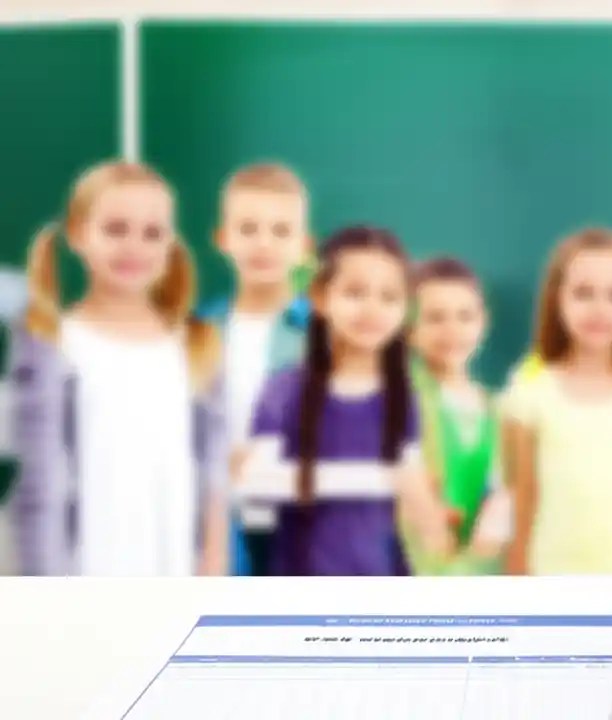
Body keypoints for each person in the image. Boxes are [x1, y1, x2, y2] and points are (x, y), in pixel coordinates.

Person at [12, 161, 226, 576]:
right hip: (83, 578)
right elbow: (38, 483)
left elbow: (212, 470)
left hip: (174, 574)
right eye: (115, 229)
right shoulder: (53, 343)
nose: (134, 247)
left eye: (152, 233)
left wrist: (213, 565)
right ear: (77, 234)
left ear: (170, 245)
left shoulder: (197, 344)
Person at [236, 226, 448, 576]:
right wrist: (386, 478)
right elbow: (257, 486)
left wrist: (428, 513)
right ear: (320, 296)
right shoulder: (284, 389)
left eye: (389, 297)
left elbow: (413, 493)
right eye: (354, 292)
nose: (372, 309)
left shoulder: (404, 397)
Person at [503, 228, 612, 575]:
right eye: (583, 293)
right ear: (558, 299)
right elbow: (522, 498)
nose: (600, 309)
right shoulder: (530, 390)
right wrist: (517, 577)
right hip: (554, 576)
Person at [197, 163, 311, 576]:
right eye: (248, 229)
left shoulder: (326, 336)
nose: (264, 243)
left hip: (298, 524)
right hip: (219, 525)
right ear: (222, 239)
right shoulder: (198, 331)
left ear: (303, 245)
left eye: (281, 232)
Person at [403, 257, 509, 575]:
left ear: (483, 321)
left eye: (465, 316)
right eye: (435, 318)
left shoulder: (496, 408)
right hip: (420, 574)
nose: (452, 330)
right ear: (409, 329)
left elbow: (507, 488)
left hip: (483, 575)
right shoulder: (408, 397)